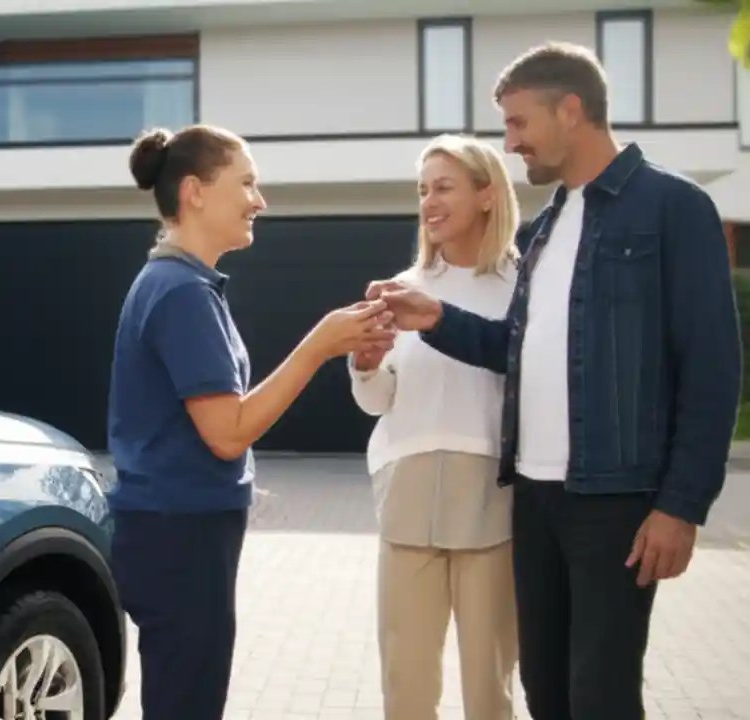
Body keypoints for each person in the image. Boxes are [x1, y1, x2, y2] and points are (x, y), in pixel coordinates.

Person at [366, 42, 742, 719]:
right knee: (545, 691)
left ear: (571, 110)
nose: (510, 145)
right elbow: (517, 348)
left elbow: (712, 365)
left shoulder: (672, 207)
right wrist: (434, 318)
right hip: (534, 499)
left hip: (615, 499)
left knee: (601, 694)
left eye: (518, 123)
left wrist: (681, 504)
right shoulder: (545, 231)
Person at [107, 123, 395, 720]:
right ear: (195, 192)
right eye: (247, 182)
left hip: (176, 526)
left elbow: (197, 428)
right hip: (180, 534)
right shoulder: (180, 291)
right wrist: (318, 345)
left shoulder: (181, 283)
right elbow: (227, 430)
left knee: (182, 692)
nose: (259, 200)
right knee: (188, 701)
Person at [350, 133, 521, 719]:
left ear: (487, 194)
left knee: (488, 687)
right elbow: (378, 402)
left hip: (493, 504)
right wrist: (365, 367)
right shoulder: (404, 287)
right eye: (423, 190)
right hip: (408, 495)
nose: (429, 201)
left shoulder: (525, 288)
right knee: (406, 686)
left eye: (444, 186)